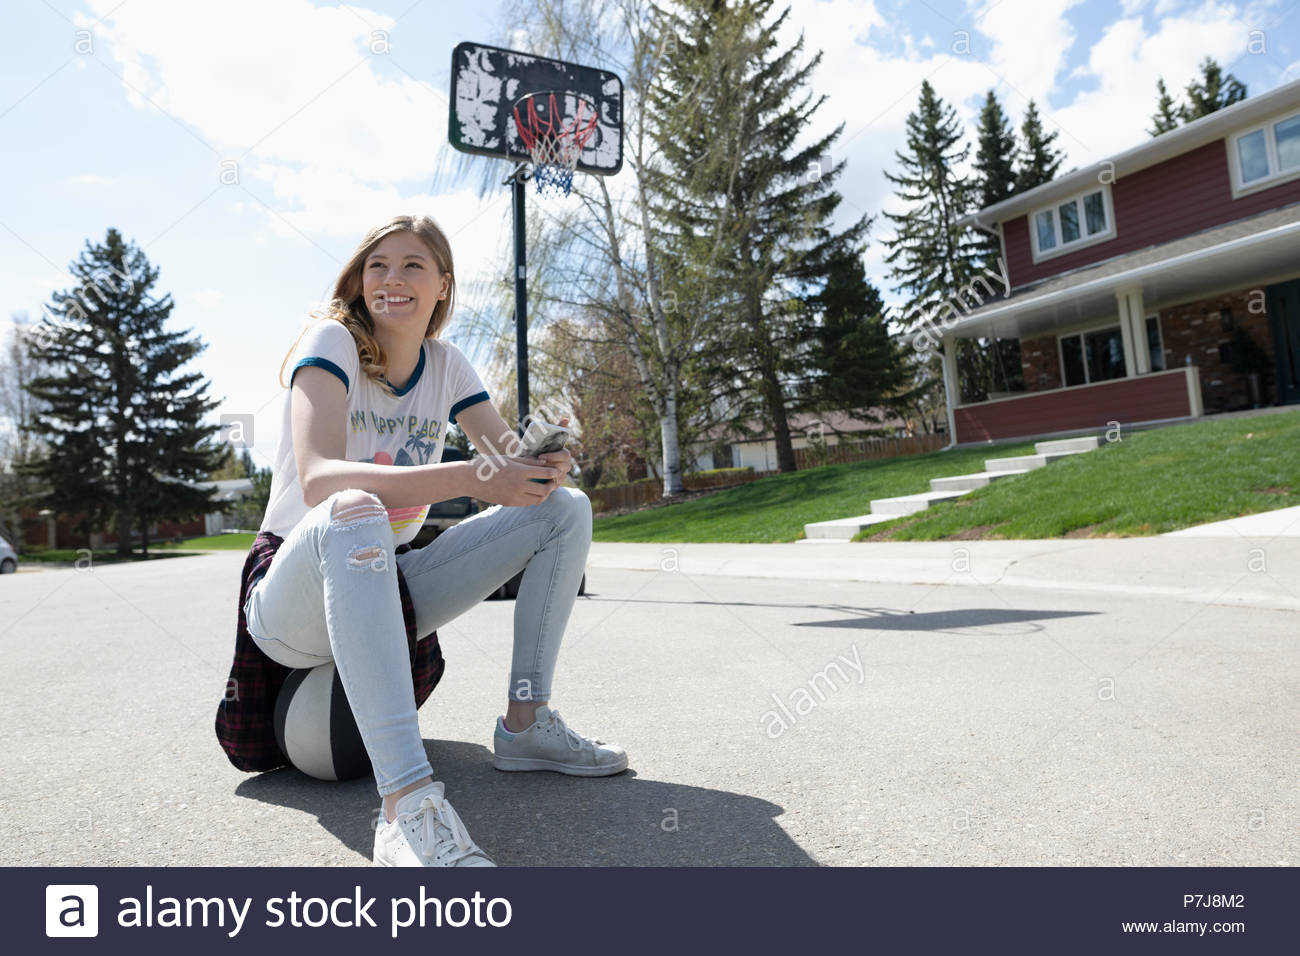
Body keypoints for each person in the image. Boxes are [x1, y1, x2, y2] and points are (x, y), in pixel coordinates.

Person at [236, 214, 626, 867]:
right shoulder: (331, 341)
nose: (391, 279)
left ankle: (526, 725)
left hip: (386, 578)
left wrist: (539, 467)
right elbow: (317, 479)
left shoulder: (445, 364)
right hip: (291, 592)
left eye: (412, 264)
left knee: (564, 509)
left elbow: (507, 464)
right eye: (378, 265)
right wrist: (475, 477)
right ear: (361, 279)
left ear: (443, 284)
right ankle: (407, 808)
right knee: (352, 507)